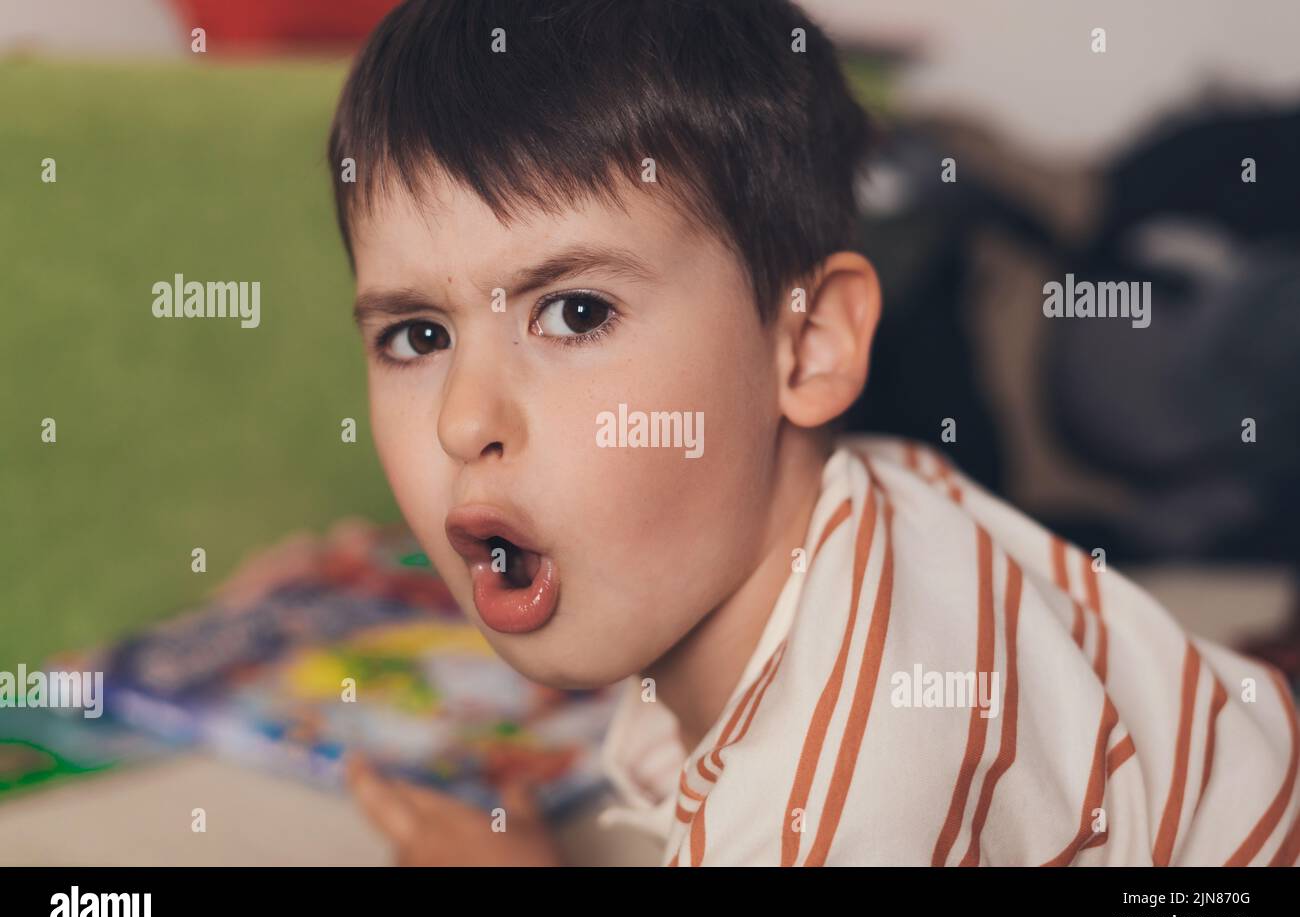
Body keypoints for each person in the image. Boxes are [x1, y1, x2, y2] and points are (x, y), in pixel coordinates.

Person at [329, 0, 1299, 865]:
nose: (463, 420)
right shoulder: (870, 509)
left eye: (576, 313)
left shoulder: (839, 801)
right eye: (418, 335)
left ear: (807, 344)